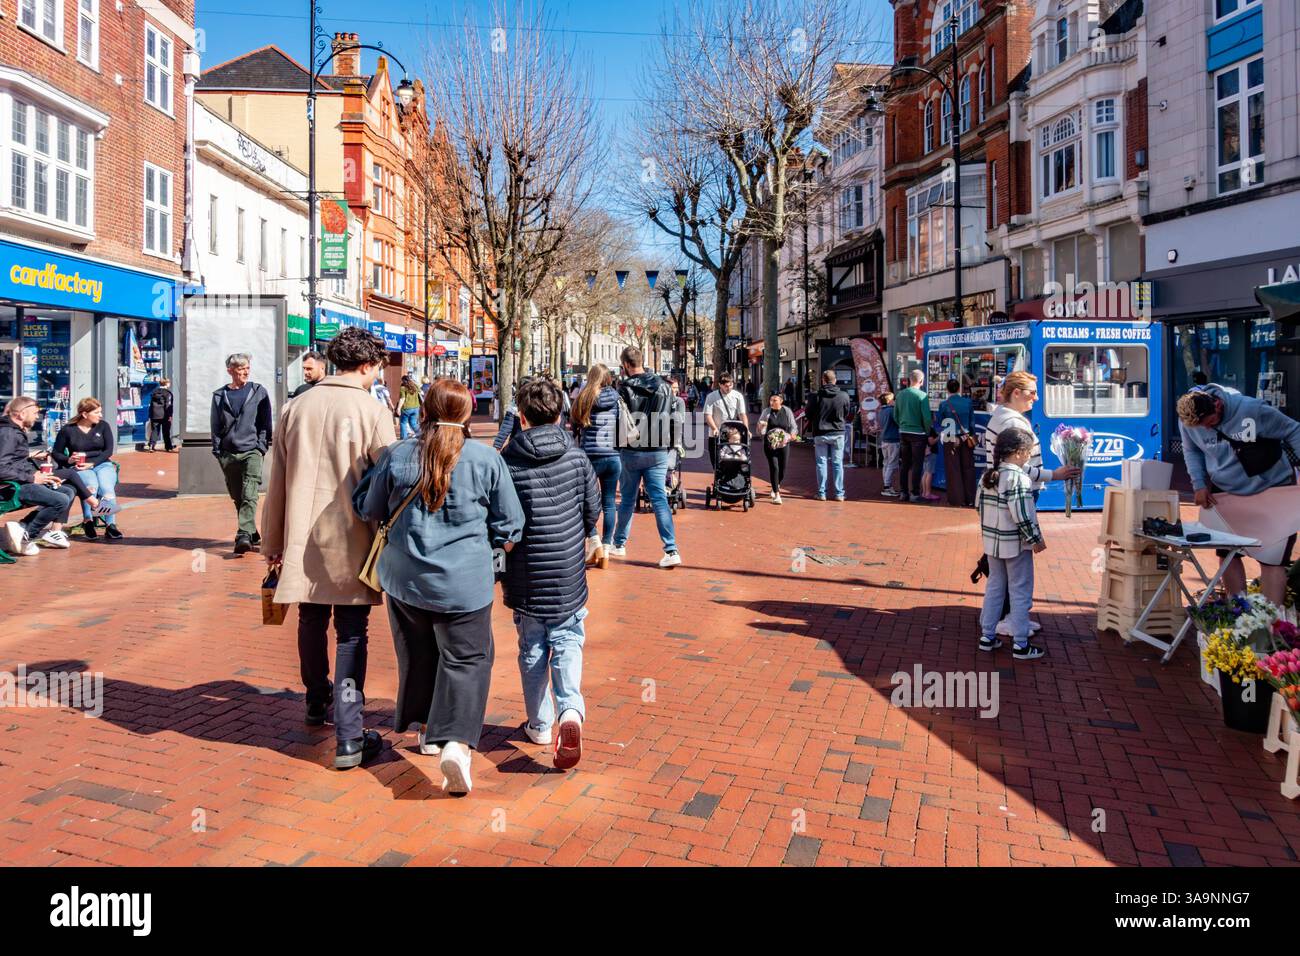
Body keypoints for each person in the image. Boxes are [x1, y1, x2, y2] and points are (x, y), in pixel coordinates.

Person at [354, 379, 524, 795]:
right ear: (467, 414)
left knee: (418, 652)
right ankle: (455, 742)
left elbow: (367, 507)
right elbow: (510, 524)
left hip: (404, 579)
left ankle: (428, 729)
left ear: (424, 411)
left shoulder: (397, 455)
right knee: (467, 660)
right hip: (464, 583)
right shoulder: (485, 460)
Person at [261, 328, 397, 770]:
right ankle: (350, 734)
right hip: (352, 535)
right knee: (353, 631)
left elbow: (275, 481)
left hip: (301, 535)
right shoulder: (373, 411)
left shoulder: (294, 407)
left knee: (310, 617)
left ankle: (316, 699)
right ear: (367, 366)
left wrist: (273, 541)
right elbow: (389, 480)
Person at [501, 377, 600, 769]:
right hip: (567, 575)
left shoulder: (507, 461)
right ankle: (570, 712)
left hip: (525, 577)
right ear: (560, 415)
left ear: (521, 417)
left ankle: (540, 723)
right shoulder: (577, 457)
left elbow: (500, 519)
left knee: (532, 649)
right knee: (569, 639)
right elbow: (593, 512)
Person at [1177, 385, 1300, 606]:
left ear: (1218, 404)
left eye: (1210, 423)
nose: (1205, 430)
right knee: (1228, 554)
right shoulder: (1188, 420)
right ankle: (1238, 613)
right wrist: (1198, 484)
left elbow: (1294, 430)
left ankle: (1270, 624)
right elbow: (1191, 451)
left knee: (1272, 559)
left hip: (1272, 488)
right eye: (1200, 427)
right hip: (1225, 491)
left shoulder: (1253, 409)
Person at [981, 371, 1080, 638]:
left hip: (999, 500)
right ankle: (1016, 627)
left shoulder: (999, 417)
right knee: (1019, 575)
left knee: (1000, 575)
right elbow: (1021, 466)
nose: (1036, 397)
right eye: (1032, 392)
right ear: (1016, 393)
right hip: (1017, 494)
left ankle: (997, 627)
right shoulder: (1013, 422)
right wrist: (1054, 475)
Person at [976, 428, 1047, 660]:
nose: (1029, 456)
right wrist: (1035, 539)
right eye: (1028, 452)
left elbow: (979, 507)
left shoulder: (988, 475)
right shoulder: (1018, 477)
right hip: (1015, 544)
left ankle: (987, 635)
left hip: (992, 542)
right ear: (1018, 453)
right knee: (1020, 590)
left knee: (995, 587)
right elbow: (1023, 514)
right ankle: (1021, 643)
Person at [611, 346, 681, 568]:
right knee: (660, 499)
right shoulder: (664, 387)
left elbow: (618, 420)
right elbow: (673, 417)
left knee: (628, 500)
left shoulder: (623, 389)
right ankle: (671, 549)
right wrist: (670, 444)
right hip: (658, 450)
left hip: (631, 449)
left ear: (625, 365)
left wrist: (616, 445)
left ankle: (619, 544)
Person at [211, 352, 273, 555]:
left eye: (247, 368)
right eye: (240, 368)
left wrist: (261, 446)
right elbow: (215, 424)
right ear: (230, 371)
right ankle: (252, 532)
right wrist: (218, 450)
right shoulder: (220, 395)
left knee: (250, 493)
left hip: (252, 451)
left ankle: (243, 535)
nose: (245, 372)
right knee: (238, 495)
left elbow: (265, 422)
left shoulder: (258, 391)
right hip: (228, 452)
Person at [1, 396, 77, 556]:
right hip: (9, 487)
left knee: (67, 491)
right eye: (34, 413)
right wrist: (32, 478)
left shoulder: (13, 431)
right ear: (21, 414)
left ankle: (23, 527)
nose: (37, 417)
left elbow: (13, 460)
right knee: (60, 500)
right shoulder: (9, 433)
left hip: (18, 482)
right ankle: (26, 535)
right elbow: (1, 467)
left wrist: (36, 472)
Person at [52, 397, 123, 540]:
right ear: (85, 414)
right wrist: (69, 460)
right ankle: (88, 520)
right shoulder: (68, 430)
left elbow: (108, 451)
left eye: (100, 412)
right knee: (91, 487)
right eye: (97, 412)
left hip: (102, 464)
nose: (100, 415)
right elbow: (56, 453)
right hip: (79, 467)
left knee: (106, 488)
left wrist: (92, 463)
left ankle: (110, 525)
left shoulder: (103, 426)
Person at [571, 363, 620, 558]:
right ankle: (607, 545)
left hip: (590, 456)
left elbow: (574, 424)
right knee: (609, 502)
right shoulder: (617, 399)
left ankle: (594, 539)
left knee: (583, 501)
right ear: (608, 378)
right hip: (613, 456)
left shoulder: (584, 398)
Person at [804, 370, 852, 501]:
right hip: (838, 432)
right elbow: (846, 412)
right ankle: (839, 493)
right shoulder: (844, 395)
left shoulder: (815, 396)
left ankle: (822, 492)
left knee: (821, 463)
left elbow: (808, 413)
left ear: (823, 380)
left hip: (820, 433)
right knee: (837, 464)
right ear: (835, 380)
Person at [937, 379, 976, 507]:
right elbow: (972, 423)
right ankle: (970, 498)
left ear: (947, 390)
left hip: (950, 438)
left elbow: (940, 422)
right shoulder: (968, 402)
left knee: (953, 469)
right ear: (959, 389)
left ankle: (956, 499)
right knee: (968, 468)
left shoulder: (944, 404)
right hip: (965, 437)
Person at [895, 369, 932, 503]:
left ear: (909, 380)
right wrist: (927, 432)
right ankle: (915, 493)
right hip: (918, 433)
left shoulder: (900, 395)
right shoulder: (922, 396)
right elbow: (927, 418)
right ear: (921, 381)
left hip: (903, 431)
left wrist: (902, 425)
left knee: (904, 464)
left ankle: (903, 492)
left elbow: (896, 415)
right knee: (917, 464)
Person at [757, 391, 797, 504]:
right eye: (771, 400)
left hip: (784, 443)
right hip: (770, 444)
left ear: (781, 401)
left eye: (775, 400)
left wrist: (793, 434)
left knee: (782, 468)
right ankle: (776, 494)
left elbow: (793, 426)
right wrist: (761, 426)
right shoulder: (766, 412)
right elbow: (760, 431)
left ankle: (776, 484)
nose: (772, 402)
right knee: (774, 467)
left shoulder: (787, 411)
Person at [702, 373, 749, 470]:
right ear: (720, 385)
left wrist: (746, 429)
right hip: (716, 434)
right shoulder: (711, 396)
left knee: (735, 458)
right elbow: (708, 415)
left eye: (731, 385)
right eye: (726, 386)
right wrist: (714, 428)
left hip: (732, 434)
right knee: (716, 460)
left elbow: (742, 414)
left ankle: (732, 481)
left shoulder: (738, 396)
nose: (729, 388)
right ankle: (718, 479)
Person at [878, 391, 901, 498]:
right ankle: (887, 486)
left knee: (886, 463)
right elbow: (899, 421)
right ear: (890, 400)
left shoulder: (881, 411)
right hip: (893, 439)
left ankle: (887, 485)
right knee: (891, 463)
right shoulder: (892, 411)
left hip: (884, 439)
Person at [146, 377, 175, 451]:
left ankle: (151, 445)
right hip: (164, 415)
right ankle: (168, 447)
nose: (170, 384)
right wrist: (170, 415)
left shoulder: (154, 392)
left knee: (155, 430)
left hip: (155, 414)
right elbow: (168, 405)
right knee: (166, 431)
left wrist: (151, 414)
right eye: (169, 382)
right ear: (166, 383)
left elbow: (151, 404)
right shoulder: (168, 393)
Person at [396, 374, 422, 439]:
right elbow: (420, 390)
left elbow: (402, 399)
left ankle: (404, 438)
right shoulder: (415, 387)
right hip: (416, 408)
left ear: (403, 381)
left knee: (403, 423)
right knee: (413, 423)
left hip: (406, 408)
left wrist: (398, 408)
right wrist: (412, 381)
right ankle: (421, 434)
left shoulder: (403, 388)